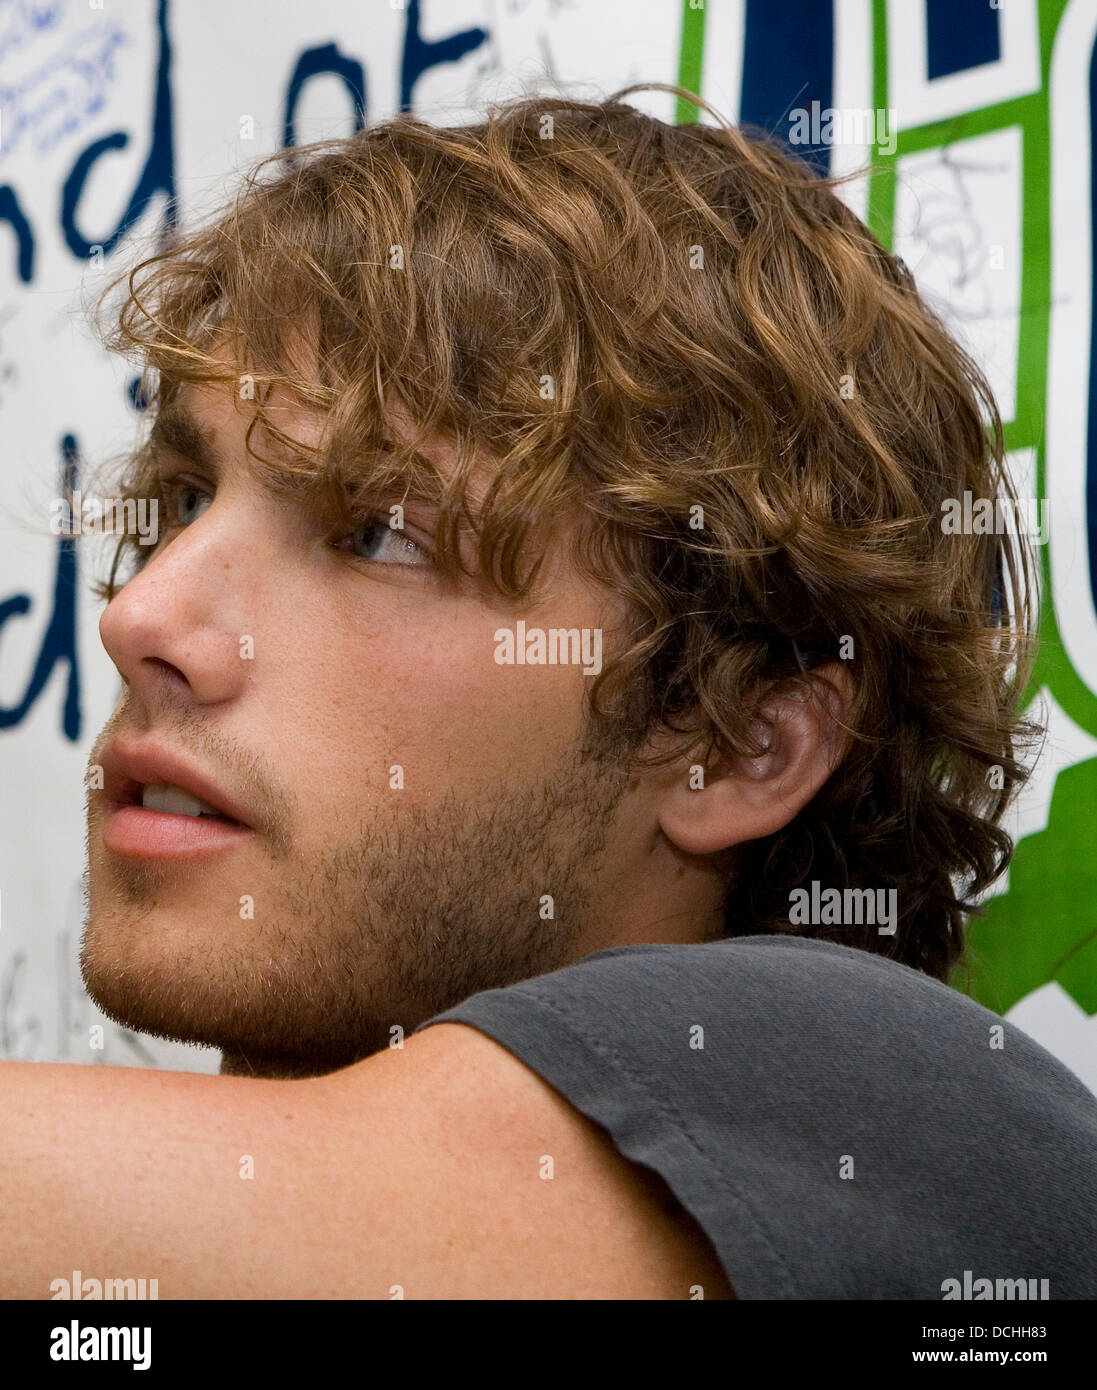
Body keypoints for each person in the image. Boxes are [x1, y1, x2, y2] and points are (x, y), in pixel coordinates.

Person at [2, 85, 1093, 1300]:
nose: (139, 614)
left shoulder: (902, 1113)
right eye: (191, 501)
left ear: (736, 746)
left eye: (375, 532)